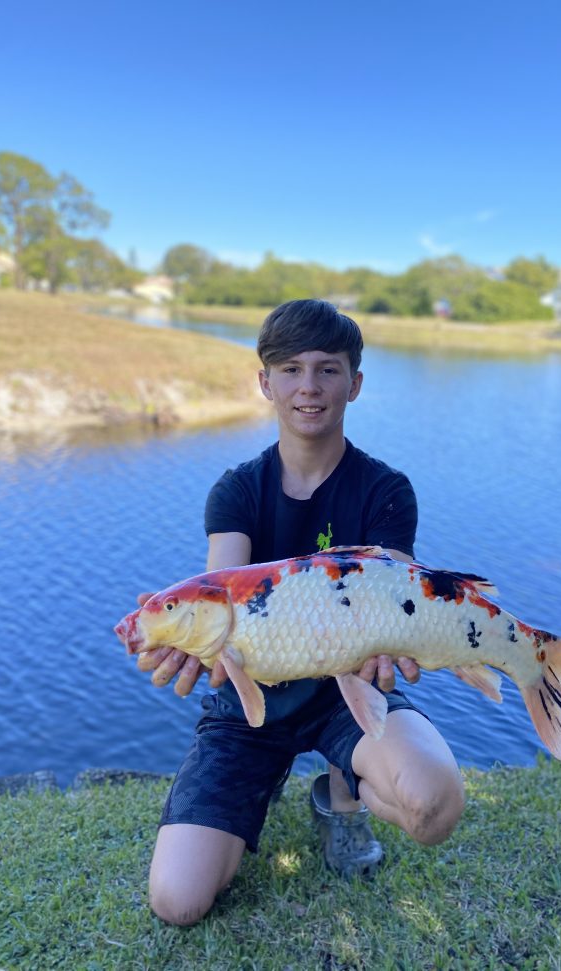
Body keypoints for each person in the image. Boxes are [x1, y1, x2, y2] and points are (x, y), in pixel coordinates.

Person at [135, 299, 465, 926]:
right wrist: (194, 645)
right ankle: (255, 793)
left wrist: (400, 642)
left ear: (355, 384)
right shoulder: (237, 490)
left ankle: (342, 796)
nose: (308, 387)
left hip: (350, 690)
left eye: (327, 369)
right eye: (289, 369)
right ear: (265, 383)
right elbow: (221, 590)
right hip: (250, 697)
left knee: (433, 807)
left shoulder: (385, 489)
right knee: (177, 902)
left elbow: (393, 600)